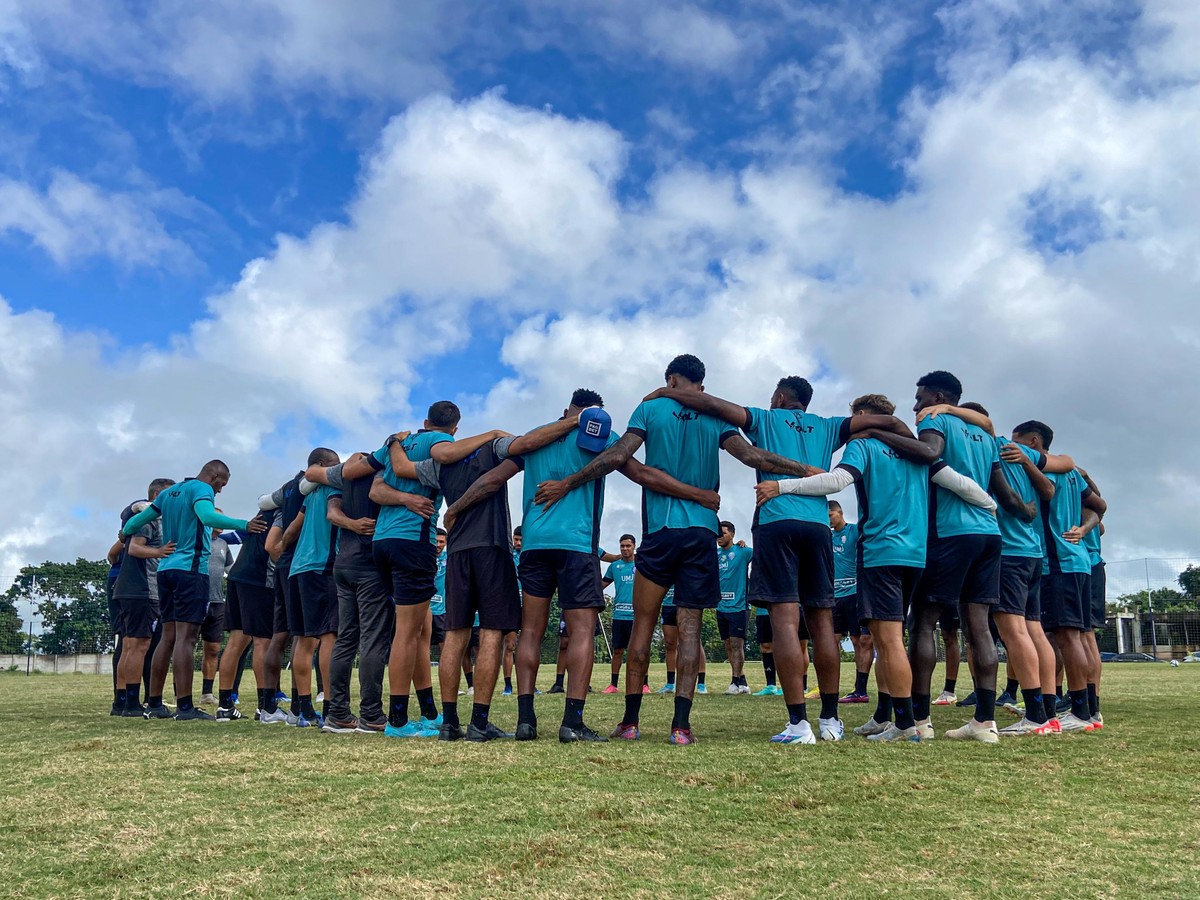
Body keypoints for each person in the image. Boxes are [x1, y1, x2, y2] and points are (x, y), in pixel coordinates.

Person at [532, 355, 806, 744]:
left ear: (670, 380)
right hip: (701, 532)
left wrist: (567, 483)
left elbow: (617, 457)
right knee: (689, 629)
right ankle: (681, 727)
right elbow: (752, 457)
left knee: (643, 625)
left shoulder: (650, 409)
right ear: (701, 387)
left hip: (661, 532)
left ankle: (630, 723)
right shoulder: (714, 415)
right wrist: (805, 471)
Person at [635, 373, 913, 744]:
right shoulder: (830, 426)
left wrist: (662, 392)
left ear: (780, 397)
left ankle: (799, 725)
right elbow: (889, 422)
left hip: (776, 521)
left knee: (784, 621)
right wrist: (903, 441)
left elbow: (710, 403)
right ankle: (830, 720)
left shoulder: (763, 418)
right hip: (817, 526)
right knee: (822, 621)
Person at [758, 393, 994, 742]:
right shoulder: (918, 452)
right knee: (889, 639)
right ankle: (886, 715)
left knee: (889, 640)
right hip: (916, 554)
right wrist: (989, 505)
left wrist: (781, 486)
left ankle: (906, 725)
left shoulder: (864, 445)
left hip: (881, 551)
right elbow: (960, 484)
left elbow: (836, 482)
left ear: (864, 415)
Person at [499, 392, 714, 742]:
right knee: (582, 631)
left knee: (531, 631)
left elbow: (497, 476)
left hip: (535, 545)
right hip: (577, 545)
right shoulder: (599, 434)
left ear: (566, 409)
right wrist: (696, 494)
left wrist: (458, 508)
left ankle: (526, 721)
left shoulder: (537, 437)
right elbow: (640, 473)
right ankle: (572, 722)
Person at [864, 373, 1035, 744]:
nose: (915, 405)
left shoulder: (935, 419)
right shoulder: (986, 437)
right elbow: (1004, 494)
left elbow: (928, 453)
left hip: (949, 533)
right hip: (989, 536)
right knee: (979, 626)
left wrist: (877, 432)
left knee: (922, 623)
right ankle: (984, 722)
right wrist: (1027, 511)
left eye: (919, 397)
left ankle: (920, 721)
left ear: (938, 396)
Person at [387, 417, 568, 742]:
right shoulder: (495, 448)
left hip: (457, 552)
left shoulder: (439, 464)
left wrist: (394, 442)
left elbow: (401, 469)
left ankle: (448, 724)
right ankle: (479, 723)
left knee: (454, 636)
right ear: (455, 428)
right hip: (491, 547)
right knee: (491, 634)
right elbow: (528, 444)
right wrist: (570, 422)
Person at [369, 404, 507, 739]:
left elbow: (376, 487)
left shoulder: (399, 443)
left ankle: (430, 712)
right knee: (407, 632)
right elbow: (446, 454)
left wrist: (393, 445)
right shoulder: (437, 443)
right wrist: (491, 434)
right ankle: (397, 721)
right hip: (412, 541)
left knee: (421, 630)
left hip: (382, 541)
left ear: (425, 421)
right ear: (455, 429)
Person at [122, 461, 266, 721]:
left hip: (165, 570)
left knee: (167, 637)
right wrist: (245, 524)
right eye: (222, 484)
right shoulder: (202, 489)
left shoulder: (169, 493)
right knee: (186, 639)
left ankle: (154, 704)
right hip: (190, 570)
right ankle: (185, 707)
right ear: (215, 475)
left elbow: (135, 523)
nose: (220, 490)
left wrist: (126, 531)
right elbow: (208, 517)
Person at [301, 451, 410, 734]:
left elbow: (331, 512)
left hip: (343, 565)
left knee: (346, 638)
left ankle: (337, 713)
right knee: (373, 639)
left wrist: (351, 524)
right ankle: (371, 714)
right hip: (370, 565)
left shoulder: (343, 480)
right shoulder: (383, 478)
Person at [1011, 422, 1107, 733]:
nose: (1014, 448)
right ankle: (1089, 710)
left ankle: (1079, 711)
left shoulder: (1045, 472)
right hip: (1077, 562)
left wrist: (1083, 528)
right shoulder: (1072, 472)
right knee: (1078, 636)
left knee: (1067, 637)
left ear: (1033, 442)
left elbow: (1088, 507)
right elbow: (1098, 507)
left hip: (1057, 563)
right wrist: (1085, 527)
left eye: (1018, 442)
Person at [279, 450, 346, 727]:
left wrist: (283, 554)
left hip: (297, 569)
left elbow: (291, 530)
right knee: (329, 636)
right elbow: (334, 516)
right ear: (320, 466)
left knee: (304, 639)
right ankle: (331, 708)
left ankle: (303, 709)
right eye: (334, 465)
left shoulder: (309, 496)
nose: (337, 469)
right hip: (322, 567)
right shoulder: (333, 487)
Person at [111, 479, 177, 716]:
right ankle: (131, 704)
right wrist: (159, 552)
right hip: (142, 590)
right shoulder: (149, 519)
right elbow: (134, 548)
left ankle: (121, 702)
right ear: (157, 496)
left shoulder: (144, 520)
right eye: (170, 494)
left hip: (129, 590)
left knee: (129, 647)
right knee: (138, 647)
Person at [216, 510, 276, 723]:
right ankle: (265, 707)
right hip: (258, 578)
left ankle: (225, 706)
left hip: (237, 575)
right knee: (263, 641)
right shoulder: (286, 511)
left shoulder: (264, 512)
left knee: (236, 641)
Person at [829, 501, 870, 704]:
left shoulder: (854, 530)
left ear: (840, 512)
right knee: (831, 641)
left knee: (859, 640)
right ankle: (828, 686)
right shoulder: (827, 537)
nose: (828, 519)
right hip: (833, 596)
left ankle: (860, 689)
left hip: (854, 593)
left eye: (830, 515)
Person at [199, 526, 236, 705]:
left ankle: (207, 693)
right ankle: (180, 693)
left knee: (213, 649)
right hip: (195, 600)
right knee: (185, 646)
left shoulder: (223, 544)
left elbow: (231, 570)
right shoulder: (195, 539)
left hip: (217, 602)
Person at [716, 522, 753, 694]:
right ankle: (742, 682)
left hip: (739, 607)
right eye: (718, 533)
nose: (719, 536)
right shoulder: (715, 554)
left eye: (723, 533)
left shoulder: (743, 552)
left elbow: (763, 554)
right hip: (721, 607)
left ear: (732, 534)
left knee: (737, 645)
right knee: (728, 645)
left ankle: (735, 682)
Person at [602, 535, 637, 694]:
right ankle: (613, 685)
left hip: (636, 617)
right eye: (622, 546)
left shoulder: (641, 565)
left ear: (634, 546)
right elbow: (601, 585)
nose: (625, 549)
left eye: (628, 546)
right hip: (619, 615)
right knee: (617, 651)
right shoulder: (614, 566)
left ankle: (644, 684)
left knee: (638, 652)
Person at [503, 526, 523, 696]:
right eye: (515, 539)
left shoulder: (532, 555)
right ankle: (508, 686)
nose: (518, 543)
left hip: (530, 604)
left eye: (521, 540)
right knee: (510, 645)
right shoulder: (507, 555)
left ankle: (529, 684)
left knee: (529, 644)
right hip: (510, 604)